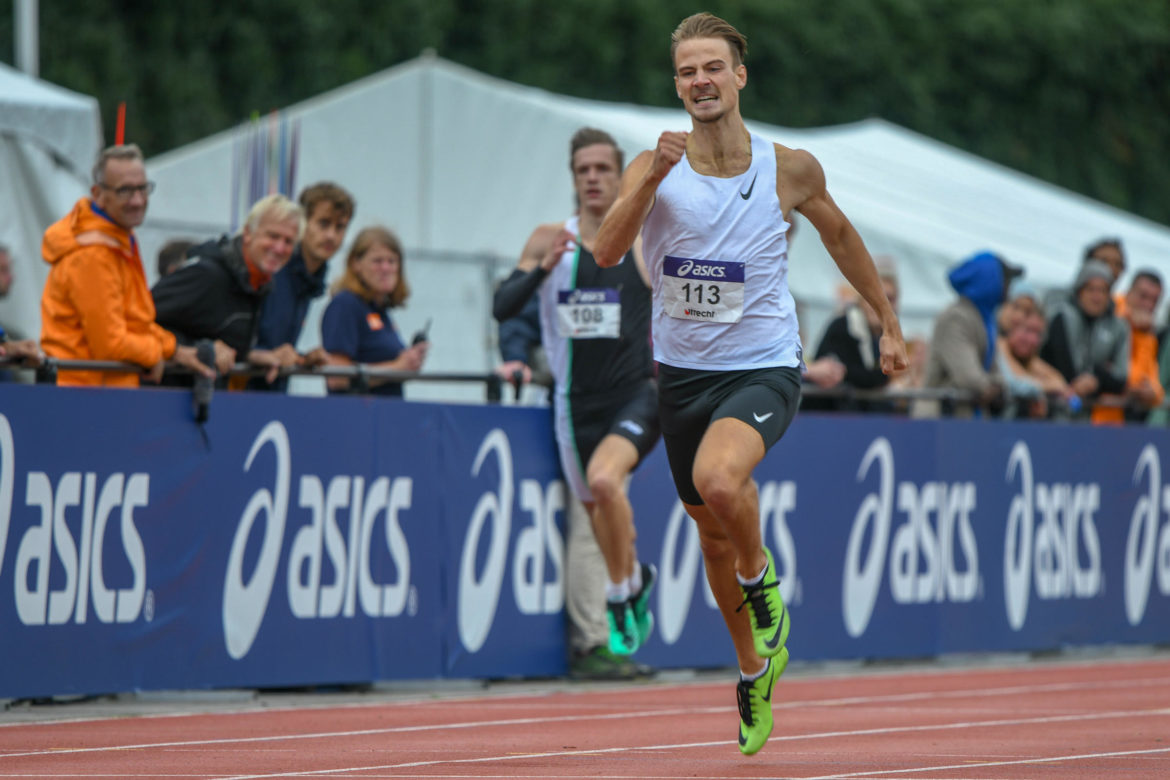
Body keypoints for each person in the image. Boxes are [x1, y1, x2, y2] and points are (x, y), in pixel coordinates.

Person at [592, 13, 907, 756]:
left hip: (763, 363)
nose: (700, 80)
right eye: (687, 71)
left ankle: (763, 581)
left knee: (721, 482)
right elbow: (608, 250)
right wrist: (652, 181)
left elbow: (840, 236)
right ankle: (752, 670)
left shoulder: (788, 167)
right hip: (683, 374)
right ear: (678, 86)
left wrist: (887, 321)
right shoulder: (654, 163)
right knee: (707, 534)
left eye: (713, 67)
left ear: (739, 76)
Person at [493, 126, 661, 674]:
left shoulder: (643, 237)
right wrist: (542, 269)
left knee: (608, 488)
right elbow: (503, 306)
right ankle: (632, 581)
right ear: (573, 178)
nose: (592, 178)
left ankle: (605, 631)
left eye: (602, 169)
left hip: (635, 394)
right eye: (583, 170)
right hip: (572, 403)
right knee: (598, 511)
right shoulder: (550, 239)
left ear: (620, 176)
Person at [40, 144, 214, 387]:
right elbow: (110, 344)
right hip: (82, 397)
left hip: (103, 393)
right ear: (98, 193)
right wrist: (156, 353)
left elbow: (136, 323)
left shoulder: (116, 238)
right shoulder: (93, 254)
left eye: (143, 188)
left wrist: (175, 350)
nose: (138, 200)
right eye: (125, 191)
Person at [152, 194, 305, 386]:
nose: (280, 248)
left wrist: (251, 356)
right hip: (160, 400)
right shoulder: (208, 274)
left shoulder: (257, 283)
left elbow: (220, 339)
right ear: (248, 233)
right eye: (272, 236)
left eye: (289, 242)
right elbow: (139, 320)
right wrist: (195, 349)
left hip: (201, 403)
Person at [250, 182, 355, 391]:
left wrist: (302, 359)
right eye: (323, 224)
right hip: (236, 395)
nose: (331, 236)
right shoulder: (274, 267)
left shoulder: (309, 278)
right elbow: (240, 342)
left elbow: (277, 349)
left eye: (340, 227)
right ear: (302, 223)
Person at [320, 225, 427, 396]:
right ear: (356, 264)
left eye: (391, 261)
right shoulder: (345, 305)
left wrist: (409, 362)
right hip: (356, 416)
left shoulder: (379, 310)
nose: (385, 268)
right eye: (377, 261)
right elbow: (336, 377)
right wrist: (397, 368)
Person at [915, 251, 1021, 418]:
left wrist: (997, 388)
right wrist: (991, 388)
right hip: (939, 423)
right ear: (990, 280)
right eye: (1005, 279)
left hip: (965, 420)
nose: (1009, 287)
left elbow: (995, 373)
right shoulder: (955, 318)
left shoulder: (984, 318)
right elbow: (969, 378)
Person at [803, 255, 901, 412]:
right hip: (827, 418)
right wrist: (887, 375)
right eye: (876, 298)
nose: (883, 305)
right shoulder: (845, 326)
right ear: (862, 300)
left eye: (890, 299)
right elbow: (842, 373)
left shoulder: (882, 337)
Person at [1039, 259, 1129, 422]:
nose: (1097, 297)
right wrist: (1100, 373)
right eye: (1091, 289)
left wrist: (1096, 379)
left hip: (1090, 415)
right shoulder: (1062, 317)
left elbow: (1121, 377)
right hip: (1053, 408)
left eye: (1103, 291)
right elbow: (1063, 364)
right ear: (1079, 291)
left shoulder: (1118, 327)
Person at [1094, 269, 1164, 423]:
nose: (1148, 305)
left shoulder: (1147, 333)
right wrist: (1128, 319)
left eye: (1154, 301)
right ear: (1129, 291)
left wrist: (1151, 393)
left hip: (1118, 420)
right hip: (1089, 414)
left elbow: (1153, 382)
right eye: (1143, 296)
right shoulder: (1108, 310)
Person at [996, 296, 1073, 419]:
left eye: (1038, 334)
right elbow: (1015, 381)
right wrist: (1043, 389)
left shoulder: (1031, 361)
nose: (1032, 340)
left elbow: (1062, 387)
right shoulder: (997, 347)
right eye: (1027, 330)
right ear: (1011, 327)